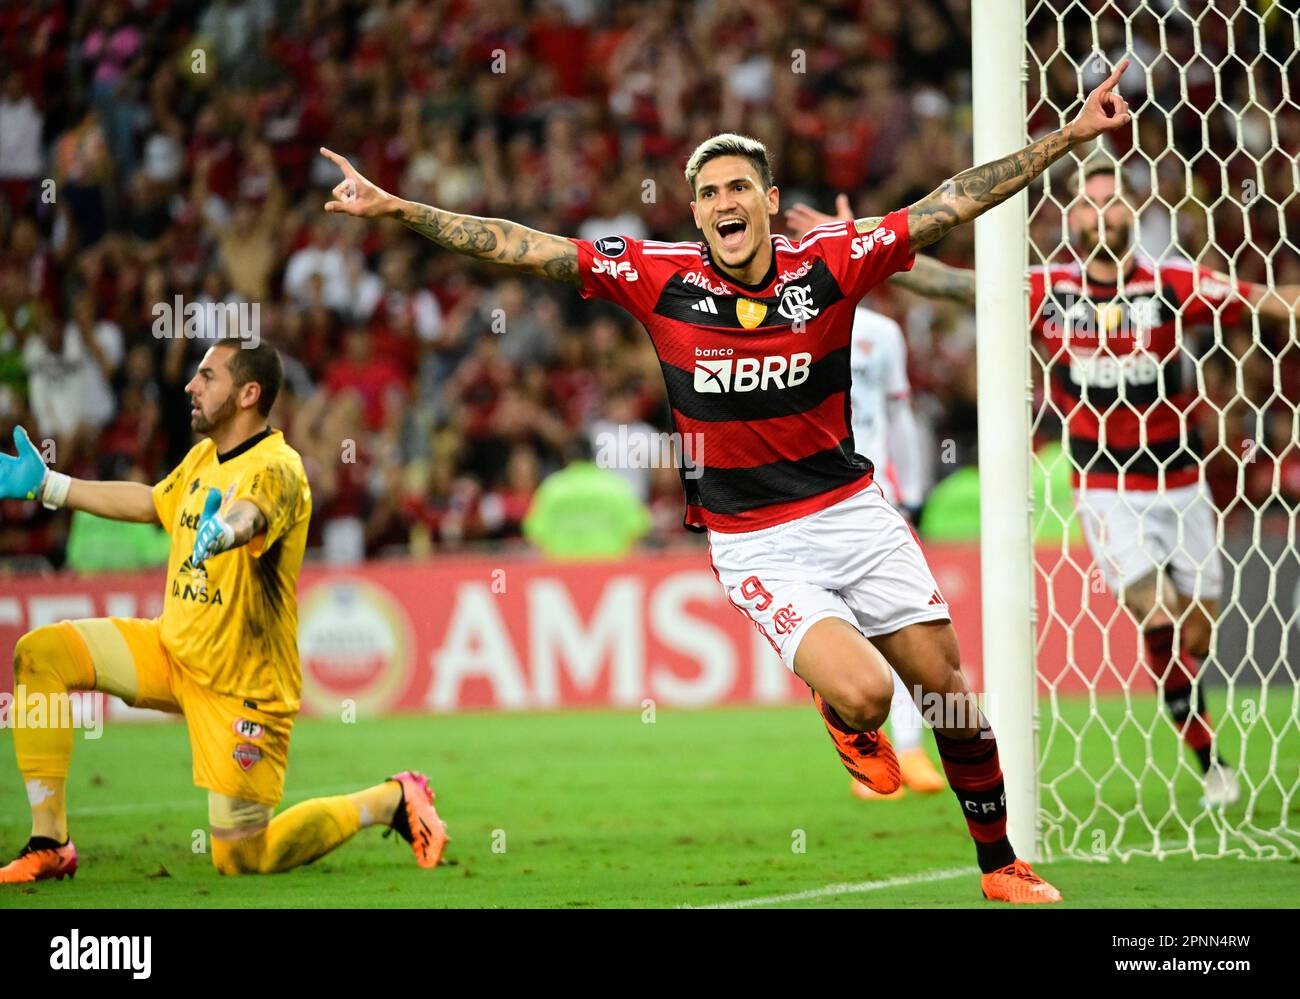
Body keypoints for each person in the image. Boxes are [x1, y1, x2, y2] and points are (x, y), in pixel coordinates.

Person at [318, 58, 1138, 903]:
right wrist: (399, 208)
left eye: (739, 186)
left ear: (770, 200)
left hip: (852, 510)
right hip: (758, 541)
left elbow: (952, 200)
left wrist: (1069, 136)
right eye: (707, 193)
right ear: (696, 210)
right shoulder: (658, 276)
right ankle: (843, 715)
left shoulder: (831, 261)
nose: (723, 203)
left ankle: (1000, 865)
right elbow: (526, 247)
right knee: (865, 695)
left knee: (953, 698)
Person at [0, 340, 447, 882]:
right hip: (172, 649)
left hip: (243, 684)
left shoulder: (280, 468)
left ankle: (391, 799)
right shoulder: (203, 458)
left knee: (242, 857)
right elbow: (151, 502)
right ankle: (51, 844)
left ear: (247, 394)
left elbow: (250, 515)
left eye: (207, 377)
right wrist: (50, 485)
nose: (190, 386)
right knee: (41, 654)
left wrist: (224, 532)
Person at [1028, 156, 1300, 807]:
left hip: (1183, 486)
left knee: (1197, 632)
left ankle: (1200, 741)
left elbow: (1260, 300)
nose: (1102, 213)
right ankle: (1213, 765)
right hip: (1105, 486)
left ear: (1134, 211)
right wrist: (877, 244)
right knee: (1158, 613)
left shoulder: (1171, 283)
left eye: (1113, 200)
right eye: (1089, 202)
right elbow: (962, 286)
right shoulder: (1048, 290)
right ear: (1072, 216)